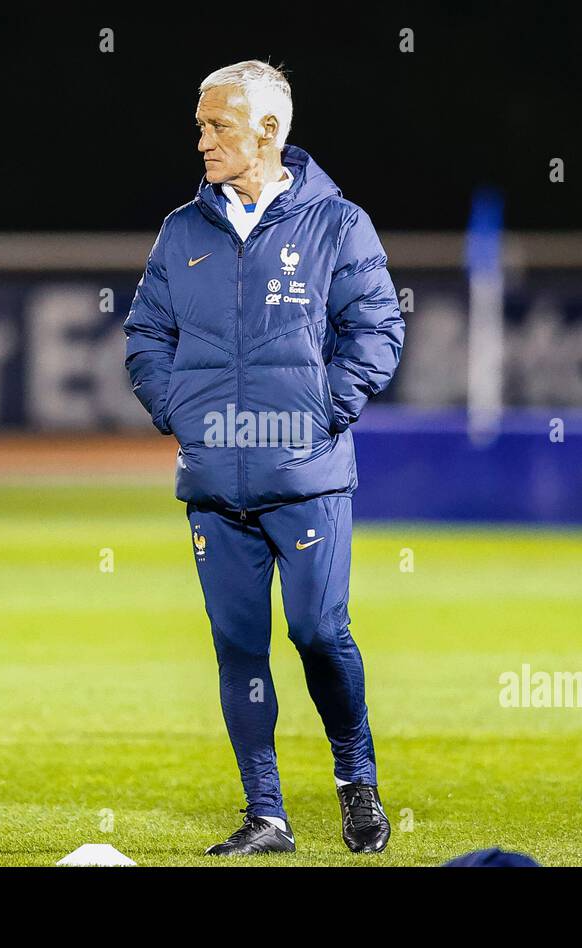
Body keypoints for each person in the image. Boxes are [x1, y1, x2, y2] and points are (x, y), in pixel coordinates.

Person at [124, 59, 404, 855]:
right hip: (216, 483)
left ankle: (357, 784)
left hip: (305, 477)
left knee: (320, 633)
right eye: (201, 124)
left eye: (217, 125)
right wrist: (177, 412)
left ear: (269, 131)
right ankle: (267, 815)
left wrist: (321, 413)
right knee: (240, 648)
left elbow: (378, 331)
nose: (202, 138)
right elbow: (145, 334)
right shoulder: (183, 231)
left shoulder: (338, 225)